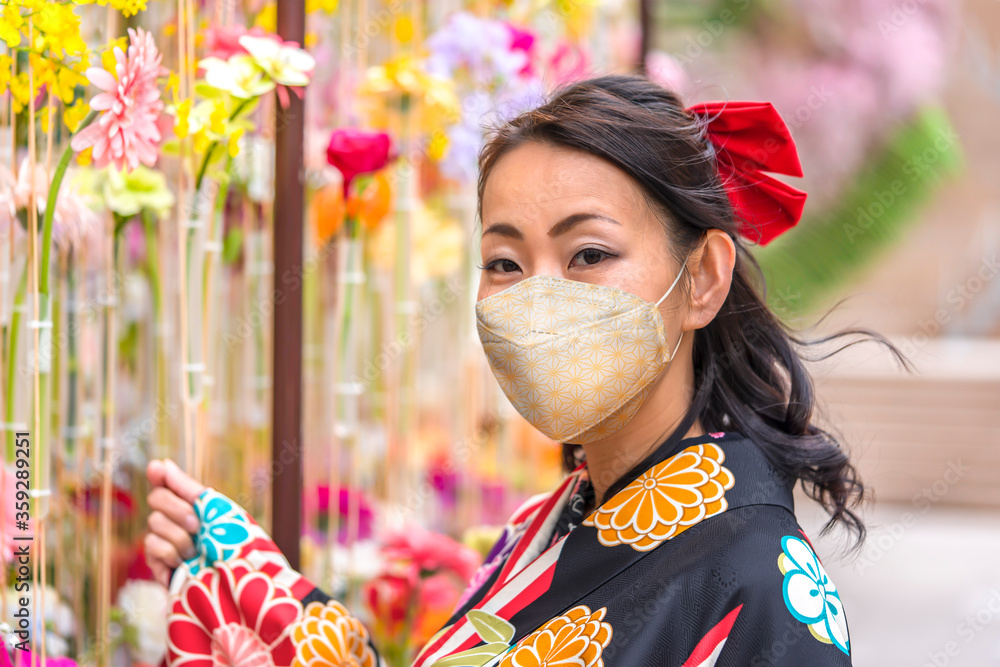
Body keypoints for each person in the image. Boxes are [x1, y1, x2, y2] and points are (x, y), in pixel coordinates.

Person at [146, 74, 904, 665]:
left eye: (590, 255)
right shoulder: (544, 526)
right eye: (504, 262)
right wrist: (247, 588)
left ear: (702, 277)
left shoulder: (757, 583)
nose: (540, 299)